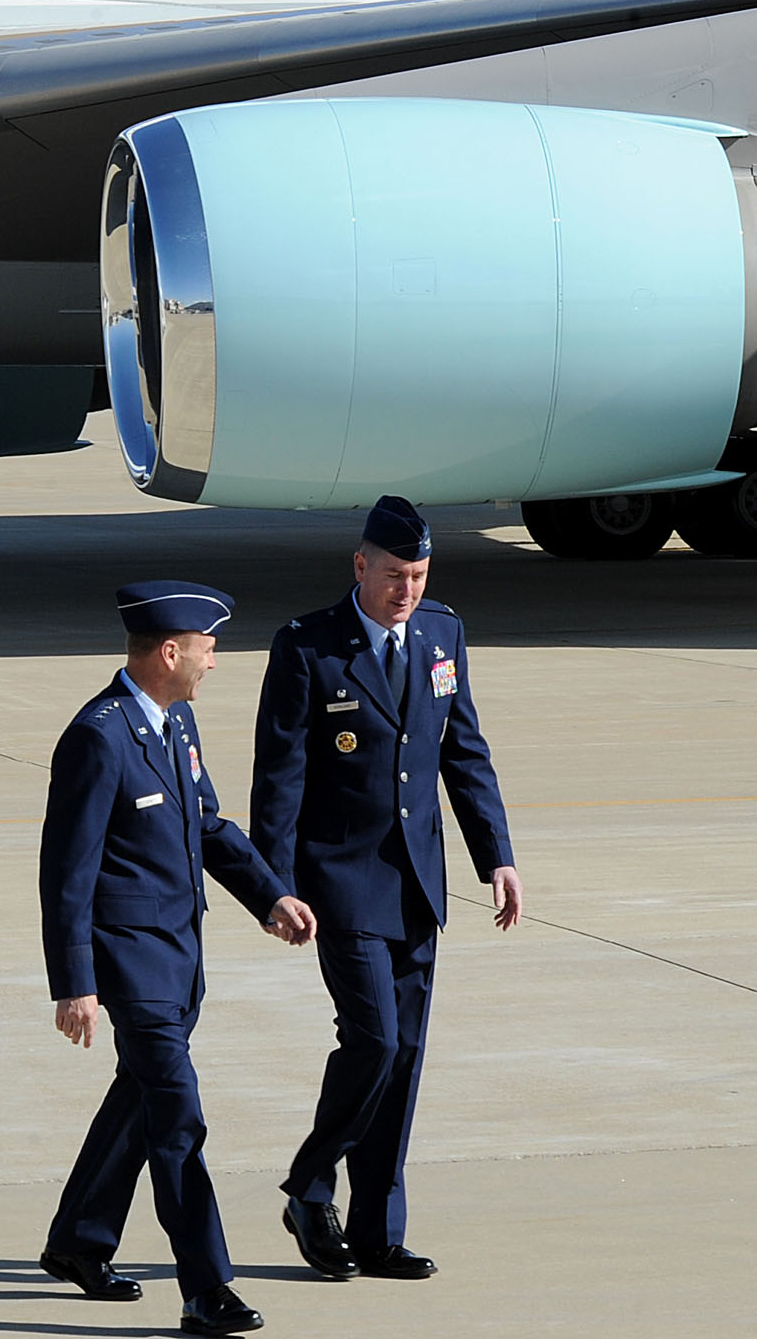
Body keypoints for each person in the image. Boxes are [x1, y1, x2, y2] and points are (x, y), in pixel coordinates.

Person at [252, 495, 522, 1285]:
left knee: (404, 1059)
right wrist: (273, 888)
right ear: (360, 566)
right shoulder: (308, 647)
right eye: (394, 574)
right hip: (338, 880)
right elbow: (280, 778)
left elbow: (463, 750)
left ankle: (375, 1231)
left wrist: (495, 854)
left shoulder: (442, 632)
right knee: (373, 1039)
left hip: (417, 882)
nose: (406, 589)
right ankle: (309, 1185)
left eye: (419, 574)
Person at [39, 579, 316, 1338]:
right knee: (179, 1119)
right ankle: (205, 1288)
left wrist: (269, 896)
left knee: (142, 1100)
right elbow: (67, 874)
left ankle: (78, 1243)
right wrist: (75, 985)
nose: (214, 662)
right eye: (208, 648)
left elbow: (207, 824)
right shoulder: (98, 736)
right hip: (131, 969)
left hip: (179, 960)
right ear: (170, 651)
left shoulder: (175, 723)